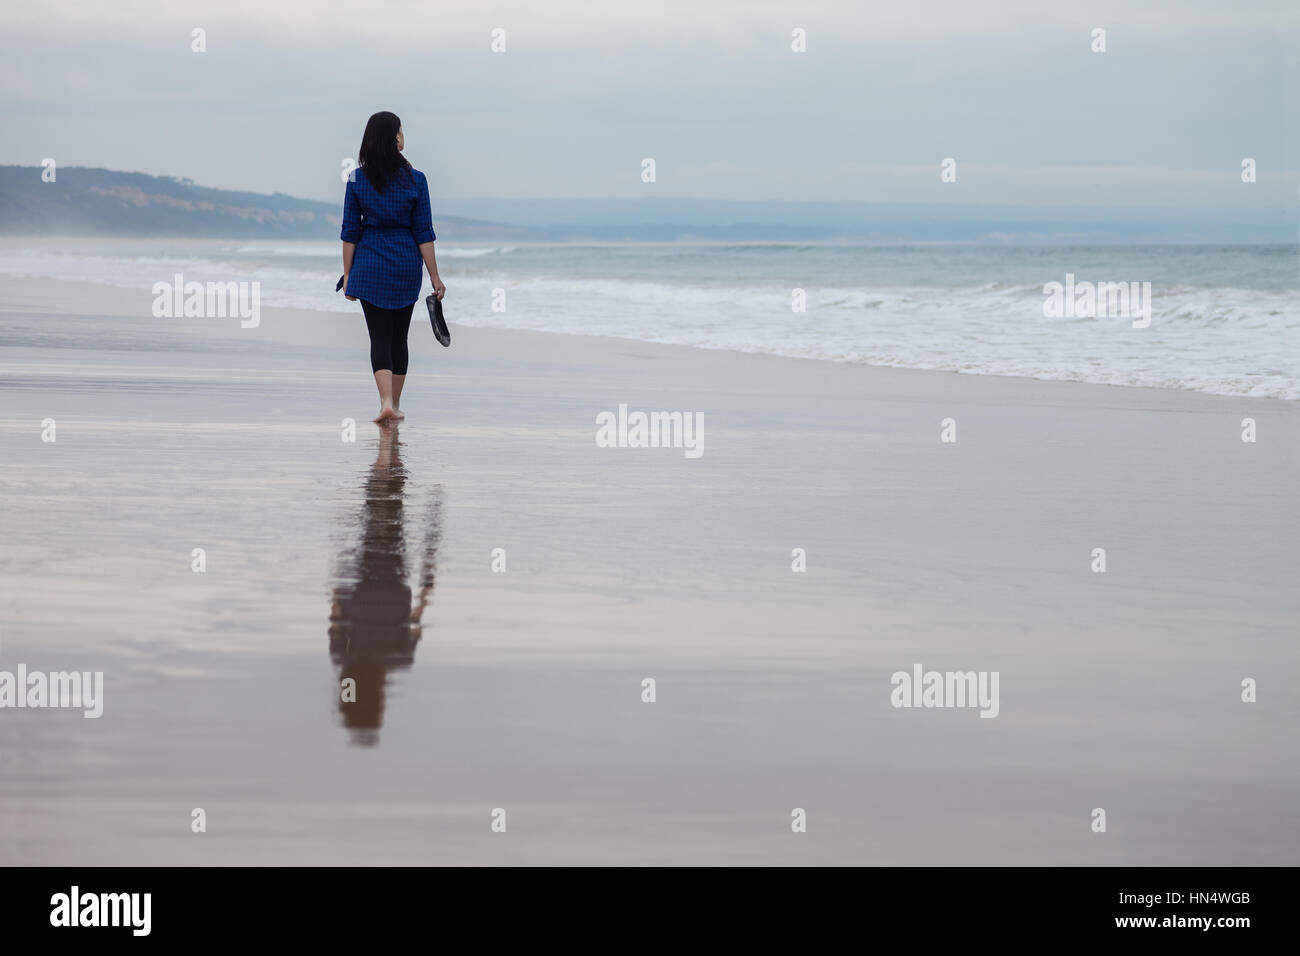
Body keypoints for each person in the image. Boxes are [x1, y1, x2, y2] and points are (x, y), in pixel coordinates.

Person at [340, 111, 446, 423]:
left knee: (379, 338)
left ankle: (385, 401)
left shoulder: (357, 179)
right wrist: (435, 276)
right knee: (400, 338)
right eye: (401, 131)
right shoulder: (417, 180)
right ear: (394, 138)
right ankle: (395, 405)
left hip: (370, 264)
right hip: (405, 265)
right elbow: (423, 232)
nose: (403, 136)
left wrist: (348, 276)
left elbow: (350, 232)